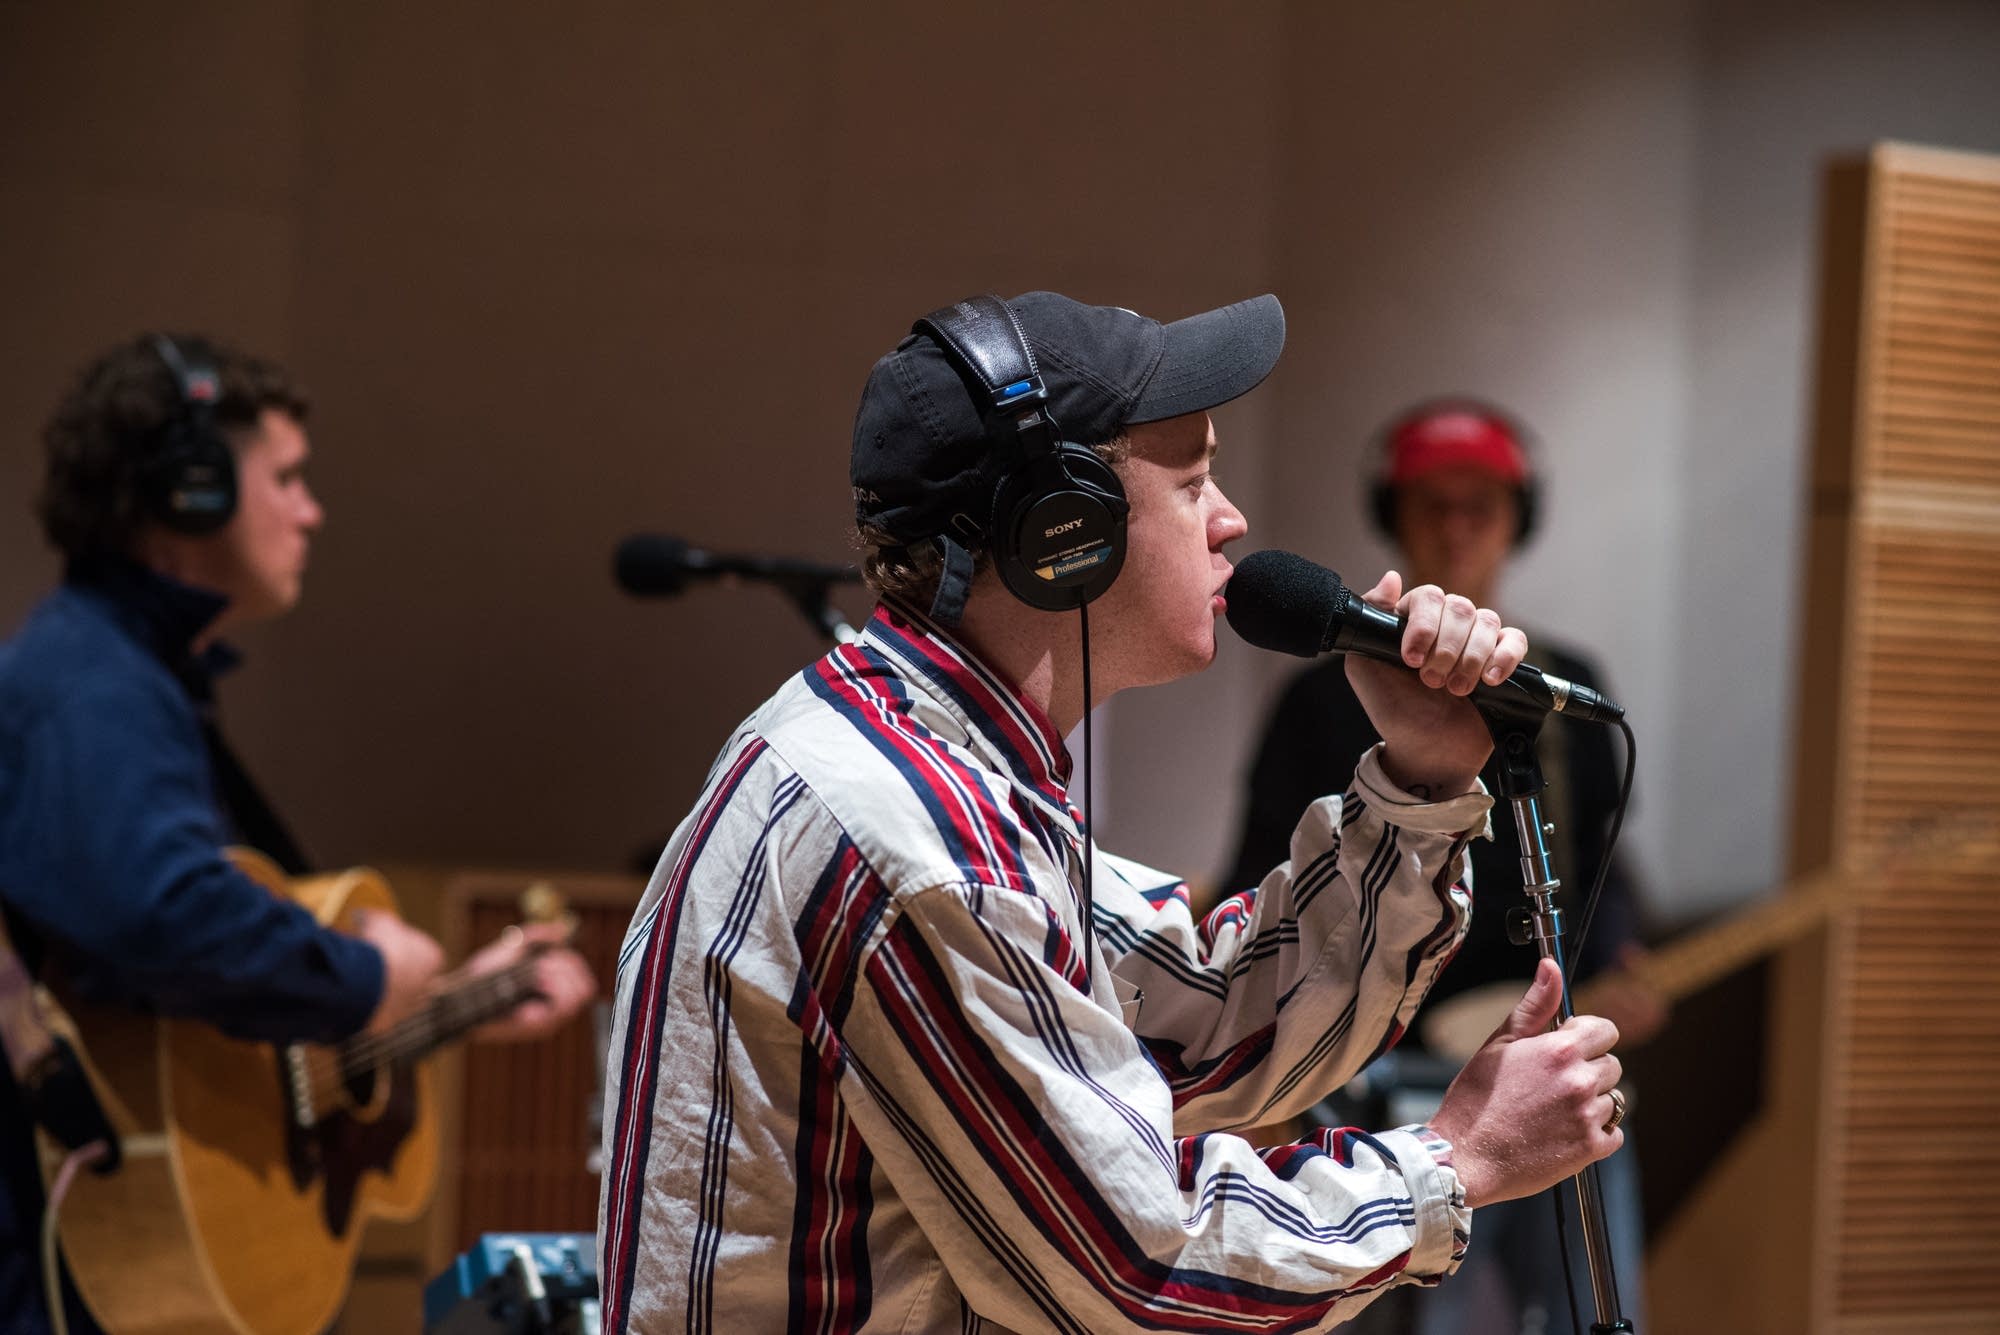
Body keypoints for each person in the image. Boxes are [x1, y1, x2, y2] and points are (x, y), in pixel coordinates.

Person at [597, 292, 1628, 1333]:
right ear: (1065, 535)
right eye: (1191, 484)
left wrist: (1420, 781)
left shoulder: (928, 761)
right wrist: (1454, 1163)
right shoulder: (908, 831)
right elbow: (1135, 1268)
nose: (1231, 521)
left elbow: (1210, 1023)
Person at [0, 333, 597, 1335]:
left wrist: (445, 1002)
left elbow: (165, 998)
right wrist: (362, 976)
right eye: (284, 478)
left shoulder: (132, 676)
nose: (311, 509)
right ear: (188, 496)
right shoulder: (92, 686)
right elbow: (165, 915)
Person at [1223, 398, 1665, 1334]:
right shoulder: (1323, 696)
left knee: (1596, 1299)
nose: (1458, 528)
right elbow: (1255, 883)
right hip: (1378, 1085)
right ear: (1396, 516)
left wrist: (1625, 958)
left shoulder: (1558, 686)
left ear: (1517, 520)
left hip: (1549, 1057)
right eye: (1434, 505)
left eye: (1482, 506)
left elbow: (1602, 869)